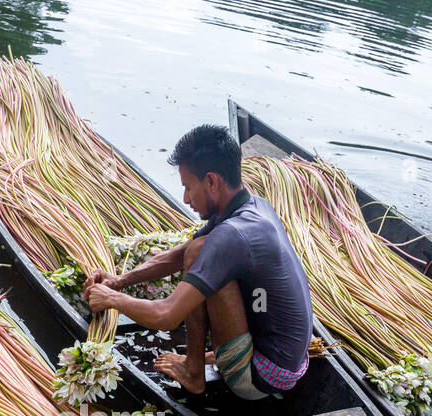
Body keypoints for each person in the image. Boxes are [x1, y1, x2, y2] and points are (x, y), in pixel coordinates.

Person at [83, 124, 313, 399]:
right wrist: (119, 281)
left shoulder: (231, 236)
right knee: (198, 250)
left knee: (201, 254)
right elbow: (181, 253)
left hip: (260, 377)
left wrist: (110, 299)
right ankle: (209, 358)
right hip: (289, 364)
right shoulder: (253, 206)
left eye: (188, 187)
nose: (185, 198)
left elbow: (166, 316)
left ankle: (193, 372)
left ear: (212, 182)